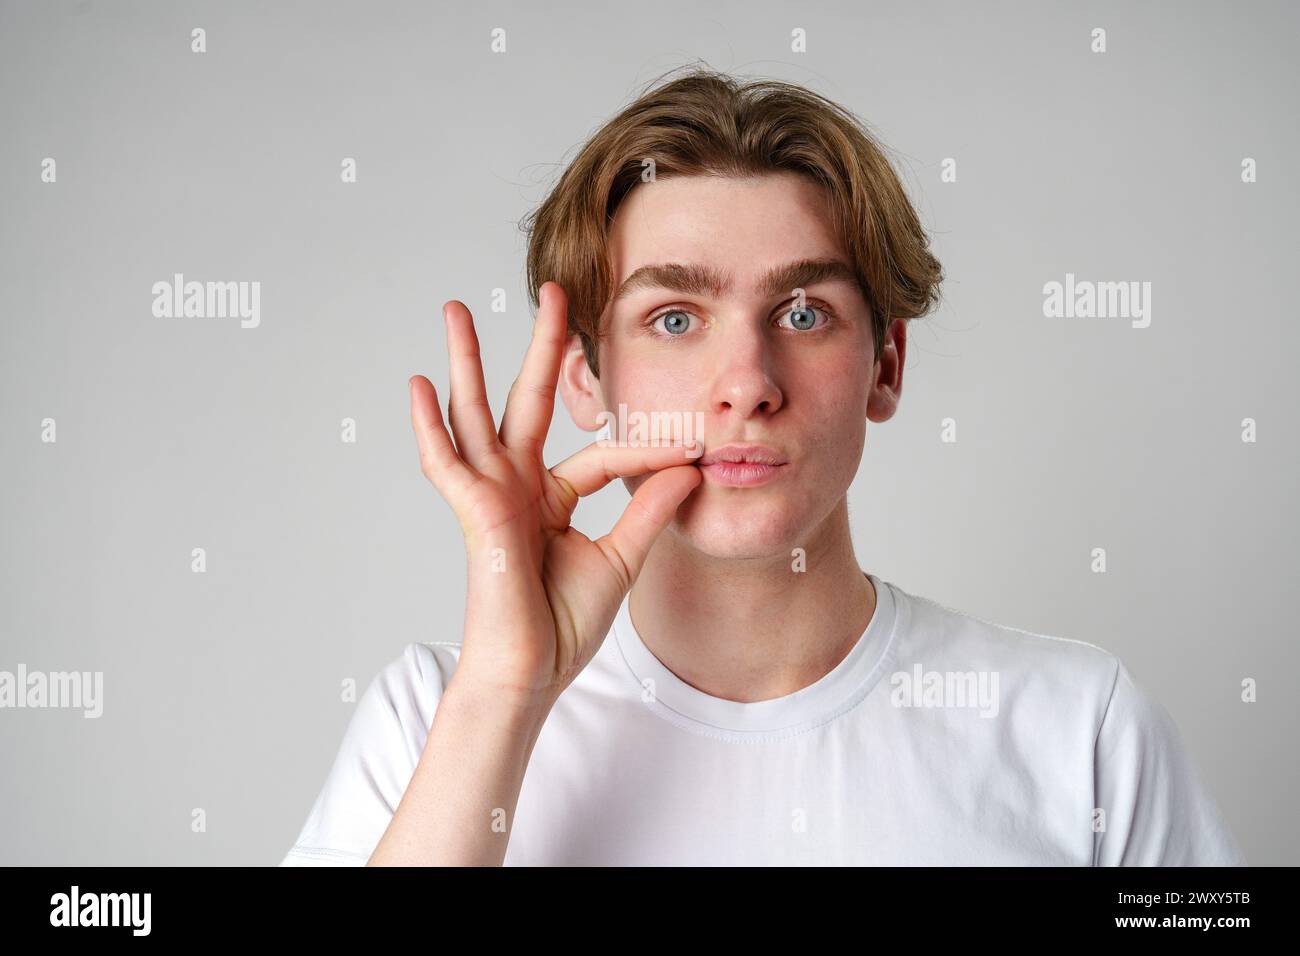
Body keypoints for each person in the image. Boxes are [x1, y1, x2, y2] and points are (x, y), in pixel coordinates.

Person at [279, 66, 1245, 866]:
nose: (745, 384)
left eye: (802, 313)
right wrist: (504, 692)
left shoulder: (1081, 734)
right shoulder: (430, 722)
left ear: (887, 364)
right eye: (674, 319)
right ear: (584, 377)